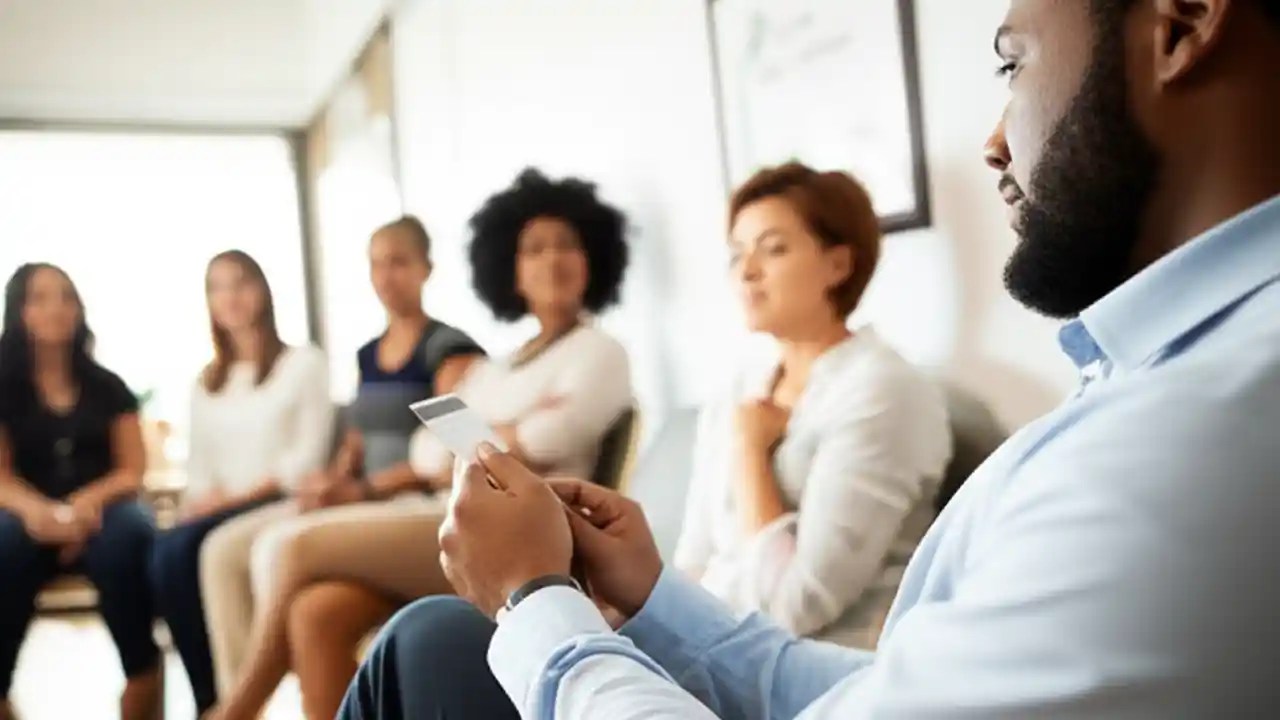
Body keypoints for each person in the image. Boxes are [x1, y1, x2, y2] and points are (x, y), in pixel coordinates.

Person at [339, 0, 1280, 717]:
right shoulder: (1145, 378)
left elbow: (805, 602)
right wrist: (654, 597)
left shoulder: (1195, 427)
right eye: (736, 254)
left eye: (1013, 61)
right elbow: (890, 688)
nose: (995, 139)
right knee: (425, 635)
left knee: (424, 643)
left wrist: (536, 596)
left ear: (1184, 20)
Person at [211, 169, 634, 720]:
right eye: (534, 249)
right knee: (316, 612)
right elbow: (427, 451)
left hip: (522, 537)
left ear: (593, 259)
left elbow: (548, 437)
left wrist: (486, 437)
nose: (551, 260)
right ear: (512, 268)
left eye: (567, 246)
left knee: (286, 548)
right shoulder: (499, 364)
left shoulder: (599, 351)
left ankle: (234, 711)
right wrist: (504, 439)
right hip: (448, 514)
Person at [196, 216, 485, 715]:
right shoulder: (368, 354)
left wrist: (368, 489)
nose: (386, 276)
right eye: (377, 264)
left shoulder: (448, 349)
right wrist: (331, 481)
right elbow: (355, 441)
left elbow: (451, 452)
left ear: (426, 269)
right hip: (366, 500)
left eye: (399, 262)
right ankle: (240, 694)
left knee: (282, 546)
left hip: (410, 504)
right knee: (235, 559)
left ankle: (237, 707)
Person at [673, 162, 951, 649]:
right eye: (737, 253)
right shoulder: (738, 389)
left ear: (837, 265)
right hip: (722, 657)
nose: (747, 271)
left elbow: (796, 605)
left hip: (829, 675)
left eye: (773, 248)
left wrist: (751, 452)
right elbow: (693, 562)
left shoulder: (883, 390)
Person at [149, 250, 332, 716]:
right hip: (220, 505)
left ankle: (233, 701)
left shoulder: (303, 364)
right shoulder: (206, 382)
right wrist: (203, 500)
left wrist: (232, 498)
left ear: (263, 291)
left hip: (283, 500)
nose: (230, 296)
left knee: (195, 548)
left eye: (241, 282)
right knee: (167, 553)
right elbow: (199, 468)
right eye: (217, 287)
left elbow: (305, 459)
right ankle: (209, 699)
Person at [0, 264, 161, 720]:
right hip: (24, 515)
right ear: (19, 311)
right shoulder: (2, 386)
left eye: (67, 296)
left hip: (102, 511)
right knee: (5, 542)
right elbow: (1, 476)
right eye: (42, 297)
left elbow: (132, 471)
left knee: (129, 538)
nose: (58, 308)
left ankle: (142, 678)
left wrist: (84, 505)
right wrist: (40, 513)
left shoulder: (109, 387)